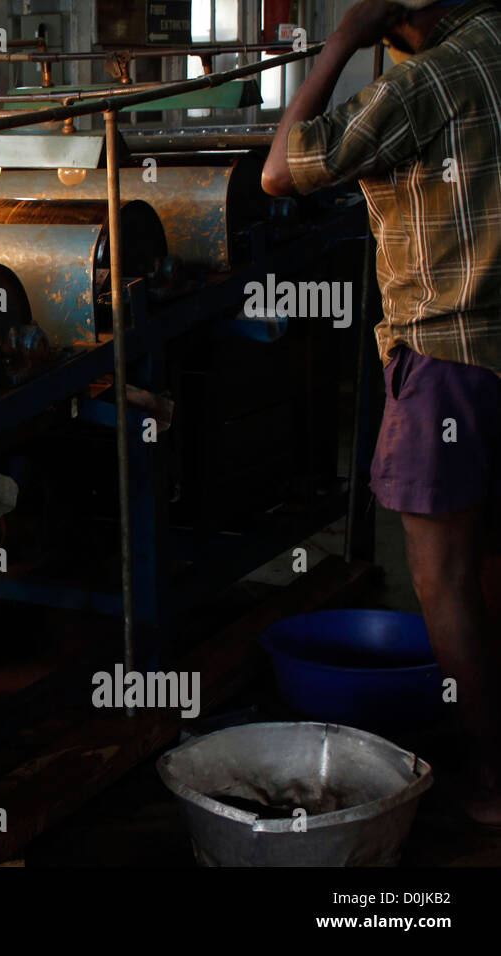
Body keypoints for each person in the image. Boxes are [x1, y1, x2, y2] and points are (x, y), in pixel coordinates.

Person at [263, 0, 501, 826]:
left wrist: (339, 43)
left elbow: (284, 170)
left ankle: (491, 784)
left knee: (442, 577)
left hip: (451, 355)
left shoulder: (432, 78)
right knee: (488, 561)